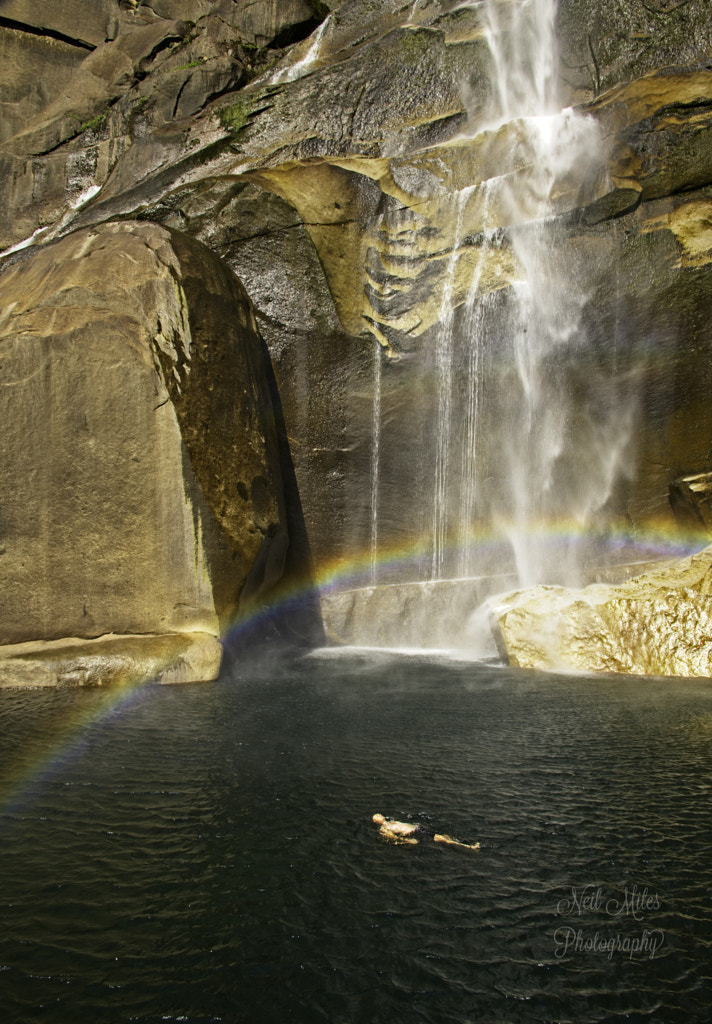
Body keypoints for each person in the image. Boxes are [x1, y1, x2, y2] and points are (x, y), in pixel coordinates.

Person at [372, 813, 480, 850]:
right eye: (378, 816)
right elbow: (394, 838)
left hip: (418, 829)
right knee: (441, 839)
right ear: (377, 821)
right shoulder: (384, 829)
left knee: (442, 836)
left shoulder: (391, 821)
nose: (380, 815)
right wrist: (408, 841)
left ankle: (456, 842)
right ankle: (469, 847)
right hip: (414, 833)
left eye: (379, 815)